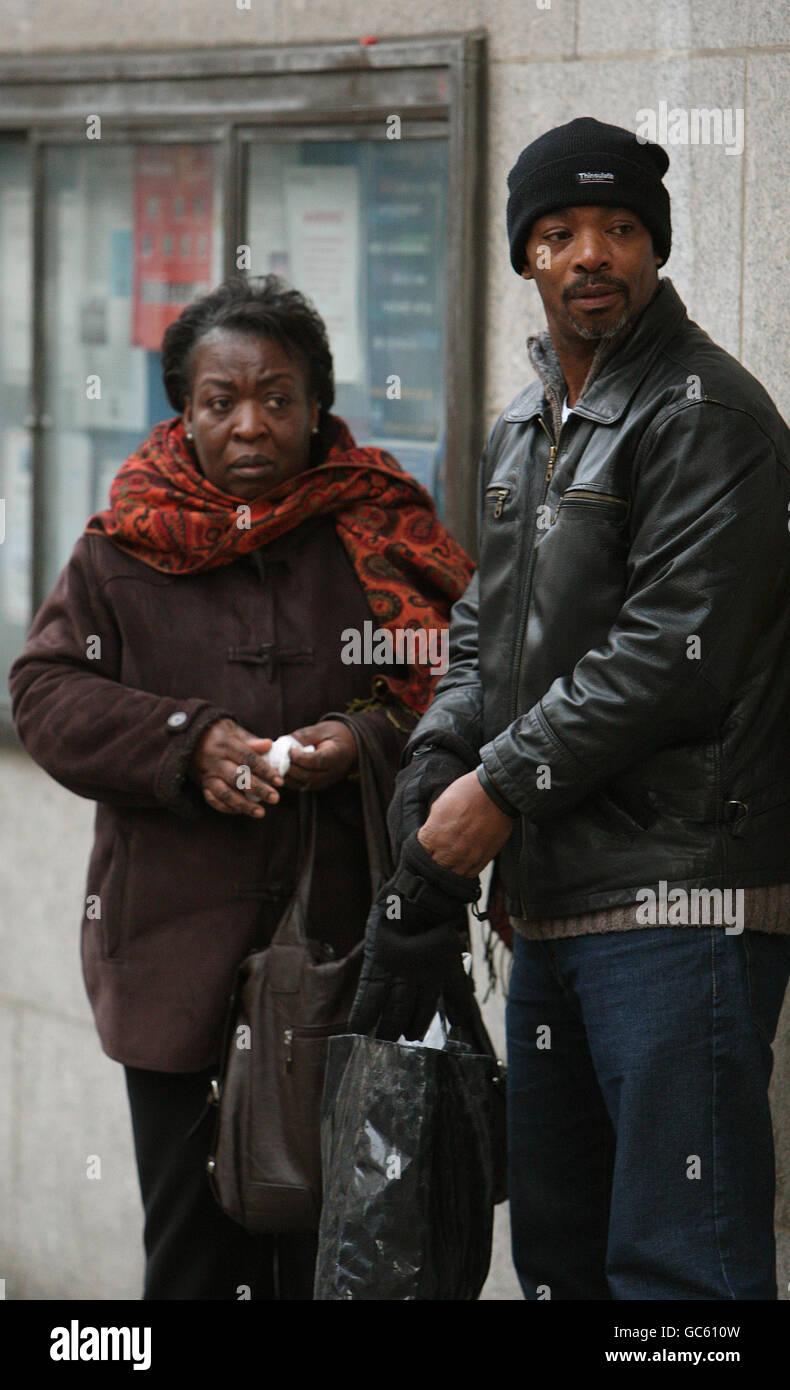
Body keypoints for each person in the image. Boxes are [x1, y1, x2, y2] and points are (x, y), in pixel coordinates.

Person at [350, 117, 790, 1299]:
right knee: (556, 1262)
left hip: (677, 904)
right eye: (560, 231)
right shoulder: (519, 432)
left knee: (677, 1272)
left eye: (620, 228)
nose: (591, 252)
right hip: (548, 913)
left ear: (654, 249)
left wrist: (491, 792)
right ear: (525, 258)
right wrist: (432, 771)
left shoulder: (709, 415)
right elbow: (487, 636)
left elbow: (669, 658)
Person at [8, 275, 473, 1301]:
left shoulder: (379, 529)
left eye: (276, 396)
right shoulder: (121, 542)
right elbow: (44, 690)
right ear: (185, 409)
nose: (250, 423)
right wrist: (188, 738)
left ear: (318, 405)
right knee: (193, 1257)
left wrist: (357, 741)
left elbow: (458, 697)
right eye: (221, 401)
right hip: (175, 959)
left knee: (339, 1251)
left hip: (349, 956)